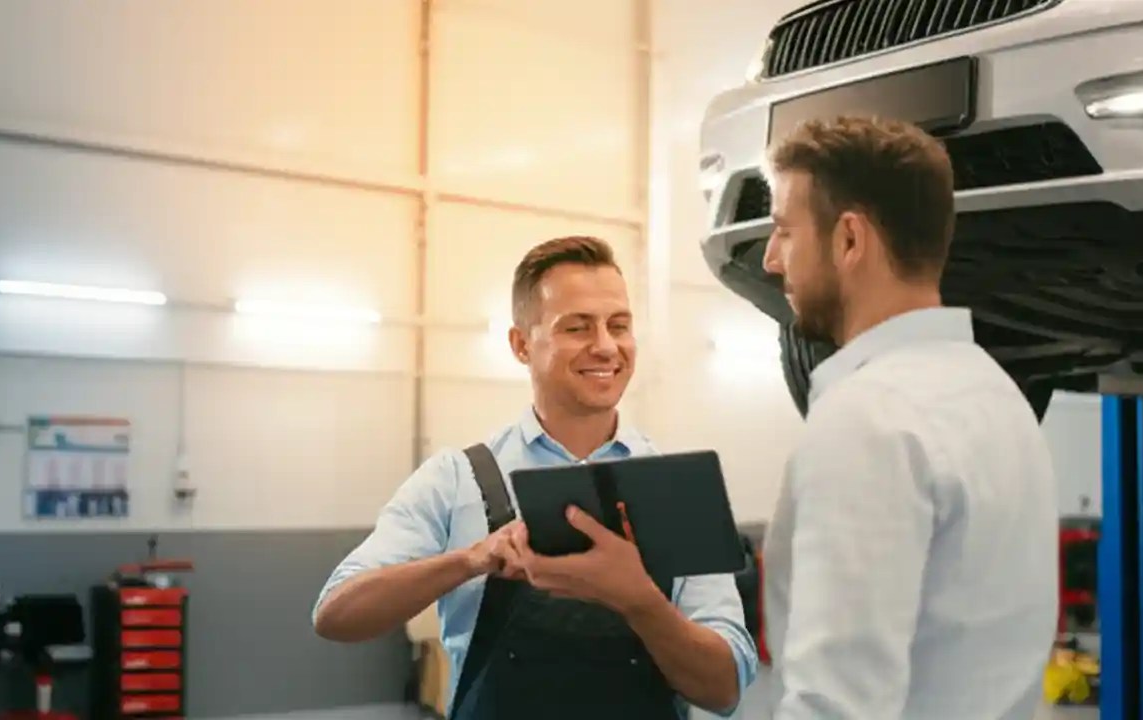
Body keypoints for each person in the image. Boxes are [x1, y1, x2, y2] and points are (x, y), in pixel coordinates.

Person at [312, 236, 758, 719]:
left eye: (619, 325)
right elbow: (336, 614)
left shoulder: (677, 492)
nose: (606, 346)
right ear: (521, 344)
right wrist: (471, 559)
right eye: (578, 327)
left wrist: (640, 600)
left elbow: (724, 688)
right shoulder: (457, 479)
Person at [756, 116, 1058, 719]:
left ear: (849, 241)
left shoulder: (866, 421)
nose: (769, 260)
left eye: (785, 231)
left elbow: (837, 705)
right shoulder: (1000, 399)